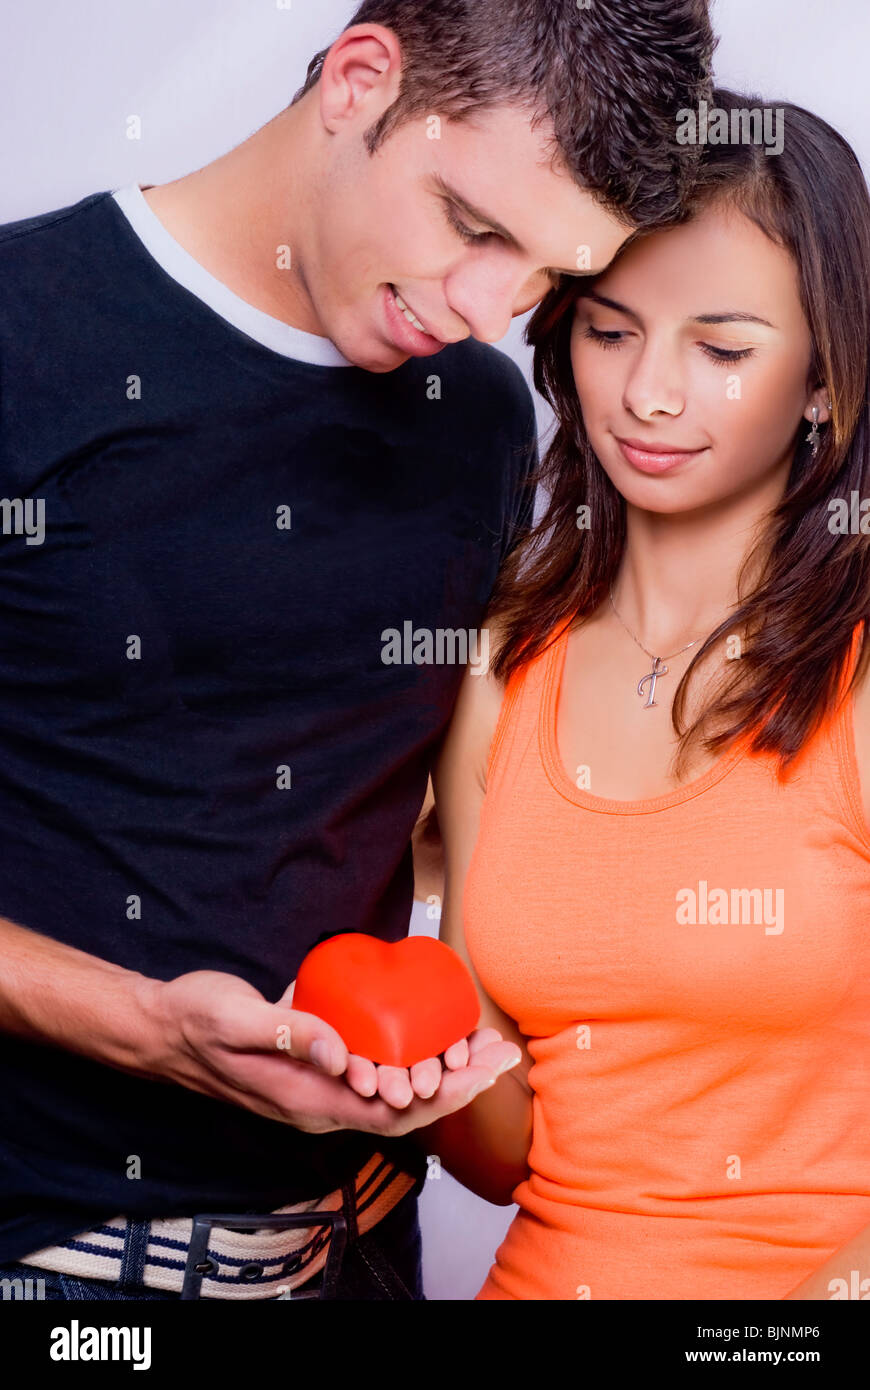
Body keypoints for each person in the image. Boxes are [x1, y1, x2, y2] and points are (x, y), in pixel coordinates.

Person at [0, 1, 715, 1300]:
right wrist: (150, 1029)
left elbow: (421, 811)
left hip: (368, 1240)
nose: (488, 308)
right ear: (358, 78)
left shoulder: (481, 417)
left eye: (551, 274)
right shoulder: (21, 332)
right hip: (65, 1262)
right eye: (475, 224)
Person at [422, 91, 870, 1299]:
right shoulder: (506, 664)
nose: (649, 396)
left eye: (722, 349)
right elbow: (507, 1155)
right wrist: (415, 1075)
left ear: (827, 383)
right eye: (610, 332)